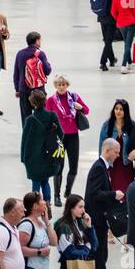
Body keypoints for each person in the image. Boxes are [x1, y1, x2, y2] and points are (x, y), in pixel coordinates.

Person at [83, 140, 124, 269]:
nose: (118, 155)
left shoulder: (103, 167)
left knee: (103, 255)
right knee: (98, 255)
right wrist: (114, 195)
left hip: (101, 219)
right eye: (116, 152)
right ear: (107, 150)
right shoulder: (99, 168)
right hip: (96, 220)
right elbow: (93, 194)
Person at [46, 75, 89, 205]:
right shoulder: (51, 100)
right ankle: (57, 196)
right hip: (59, 137)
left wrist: (80, 107)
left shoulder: (74, 97)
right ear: (56, 86)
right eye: (59, 85)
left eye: (64, 84)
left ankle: (68, 191)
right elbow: (47, 117)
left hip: (73, 135)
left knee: (74, 167)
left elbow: (87, 110)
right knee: (59, 167)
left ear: (67, 85)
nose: (61, 87)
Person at [53, 194, 99, 269]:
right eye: (80, 207)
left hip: (83, 264)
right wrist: (86, 248)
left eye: (84, 207)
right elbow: (70, 252)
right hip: (69, 266)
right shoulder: (62, 225)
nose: (83, 210)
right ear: (71, 208)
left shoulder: (81, 222)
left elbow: (95, 246)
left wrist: (89, 227)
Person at [20, 89, 61, 204]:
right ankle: (47, 204)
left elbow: (24, 141)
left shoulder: (30, 120)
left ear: (32, 103)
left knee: (36, 182)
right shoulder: (52, 116)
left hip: (34, 158)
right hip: (49, 157)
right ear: (45, 100)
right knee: (45, 181)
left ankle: (35, 204)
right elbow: (61, 134)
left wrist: (23, 158)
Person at [16, 191, 57, 269]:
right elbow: (19, 249)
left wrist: (47, 222)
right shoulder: (26, 225)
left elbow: (54, 242)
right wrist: (39, 252)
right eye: (42, 200)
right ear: (35, 206)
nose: (45, 202)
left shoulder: (41, 223)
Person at [93, 0, 120, 71]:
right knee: (108, 40)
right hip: (112, 18)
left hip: (101, 16)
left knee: (107, 39)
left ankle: (112, 59)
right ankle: (103, 62)